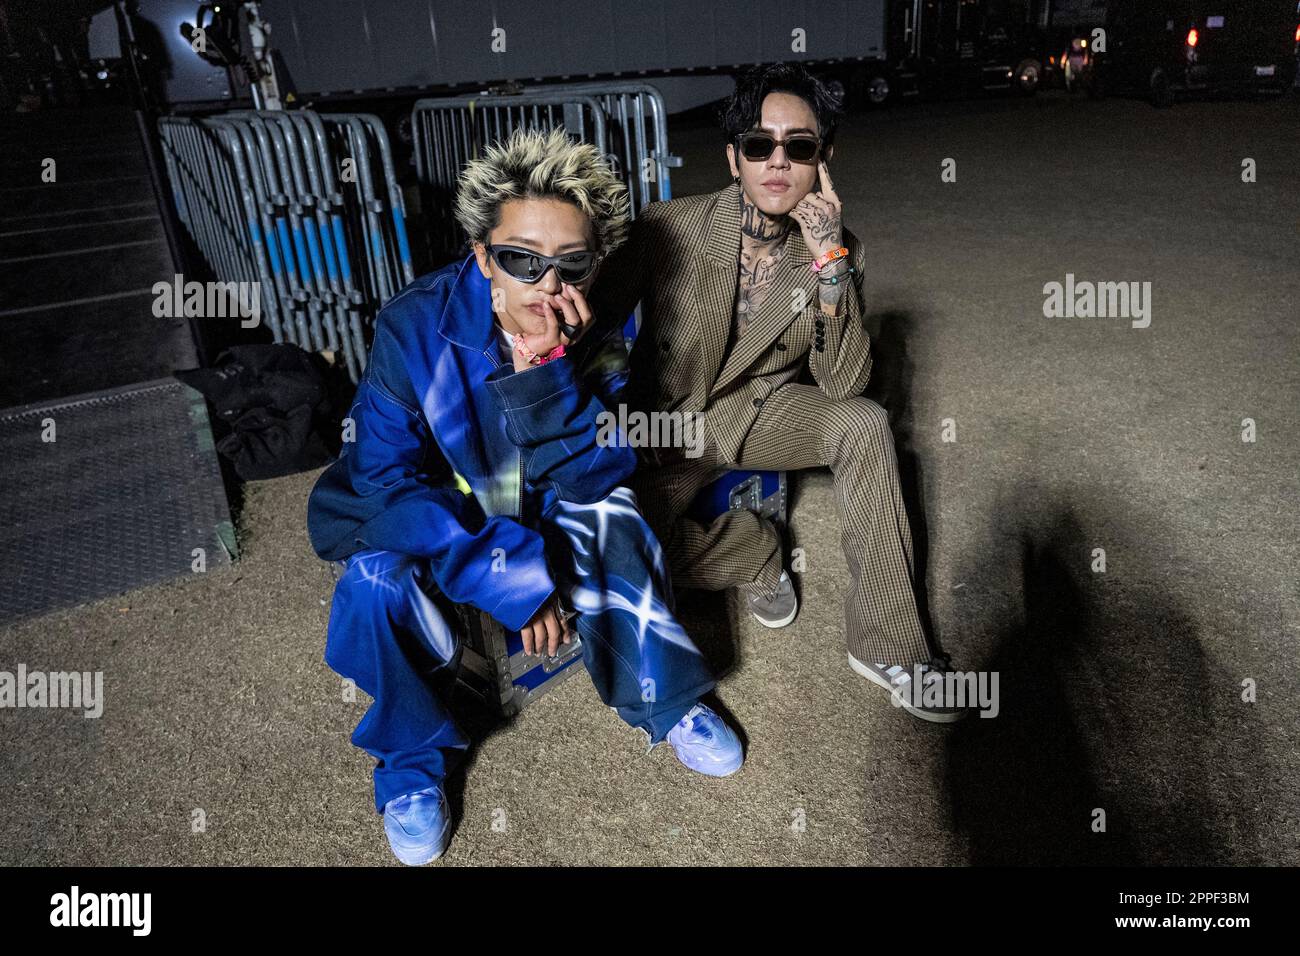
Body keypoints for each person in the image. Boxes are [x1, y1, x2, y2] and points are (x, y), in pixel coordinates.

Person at [307, 127, 744, 866]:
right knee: (373, 582)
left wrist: (549, 375)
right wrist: (511, 580)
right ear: (483, 256)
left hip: (532, 505)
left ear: (593, 263)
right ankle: (411, 766)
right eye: (521, 260)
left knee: (616, 514)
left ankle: (663, 698)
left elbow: (596, 476)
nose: (547, 285)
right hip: (433, 521)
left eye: (570, 264)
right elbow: (385, 484)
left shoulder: (589, 327)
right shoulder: (411, 327)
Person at [587, 63, 967, 722]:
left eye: (801, 145)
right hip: (666, 428)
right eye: (760, 144)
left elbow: (845, 382)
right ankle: (755, 552)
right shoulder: (666, 228)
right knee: (605, 551)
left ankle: (892, 648)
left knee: (864, 424)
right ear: (734, 158)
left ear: (824, 159)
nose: (778, 161)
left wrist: (827, 266)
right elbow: (589, 328)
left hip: (760, 412)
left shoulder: (840, 250)